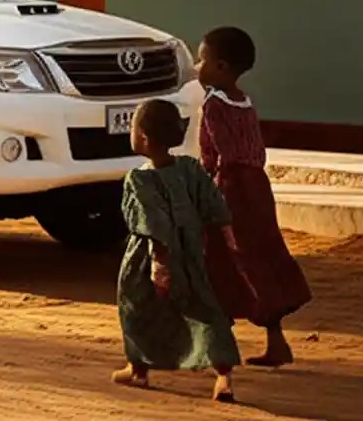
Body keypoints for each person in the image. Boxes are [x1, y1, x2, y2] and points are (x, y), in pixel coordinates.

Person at [197, 26, 313, 367]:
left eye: (201, 59)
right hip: (258, 187)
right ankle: (275, 340)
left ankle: (218, 344)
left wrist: (204, 187)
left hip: (230, 189)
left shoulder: (213, 105)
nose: (196, 65)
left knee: (220, 260)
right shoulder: (245, 102)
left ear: (220, 67)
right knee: (260, 255)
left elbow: (212, 154)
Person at [113, 99, 242, 403]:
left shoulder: (139, 179)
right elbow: (212, 200)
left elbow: (152, 221)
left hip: (148, 259)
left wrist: (160, 262)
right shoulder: (189, 168)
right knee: (204, 308)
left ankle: (138, 368)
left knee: (137, 308)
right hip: (193, 253)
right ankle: (224, 377)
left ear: (142, 138)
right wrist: (226, 231)